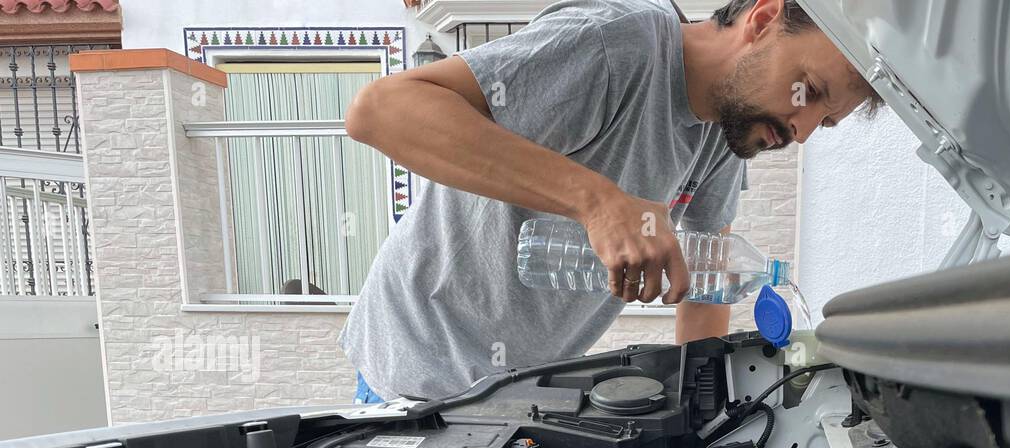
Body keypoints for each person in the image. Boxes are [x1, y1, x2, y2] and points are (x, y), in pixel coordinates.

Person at [342, 0, 878, 402]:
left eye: (824, 121)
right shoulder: (614, 45)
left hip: (516, 393)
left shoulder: (730, 126)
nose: (801, 128)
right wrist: (596, 201)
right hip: (412, 378)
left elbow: (704, 282)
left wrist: (702, 408)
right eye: (808, 87)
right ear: (762, 20)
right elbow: (380, 111)